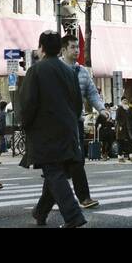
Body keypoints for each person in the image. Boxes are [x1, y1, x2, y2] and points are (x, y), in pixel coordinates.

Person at [21, 30, 87, 229]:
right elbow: (77, 103)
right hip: (68, 129)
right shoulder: (70, 71)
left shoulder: (36, 70)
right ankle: (40, 212)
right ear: (60, 48)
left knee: (53, 172)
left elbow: (28, 103)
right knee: (55, 171)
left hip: (45, 130)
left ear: (41, 48)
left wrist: (25, 124)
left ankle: (73, 216)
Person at [60, 32, 105, 209]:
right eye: (72, 47)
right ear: (63, 50)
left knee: (77, 160)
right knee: (59, 166)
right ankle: (44, 206)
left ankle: (83, 197)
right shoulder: (56, 70)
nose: (76, 50)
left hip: (76, 122)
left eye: (77, 47)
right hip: (59, 124)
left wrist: (101, 108)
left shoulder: (83, 72)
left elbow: (92, 93)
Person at [115, 97, 132, 161]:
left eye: (126, 100)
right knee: (120, 143)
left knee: (130, 142)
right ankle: (120, 157)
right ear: (121, 101)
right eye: (124, 100)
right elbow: (117, 118)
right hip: (121, 128)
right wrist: (120, 125)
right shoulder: (119, 109)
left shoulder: (129, 109)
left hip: (128, 128)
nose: (125, 101)